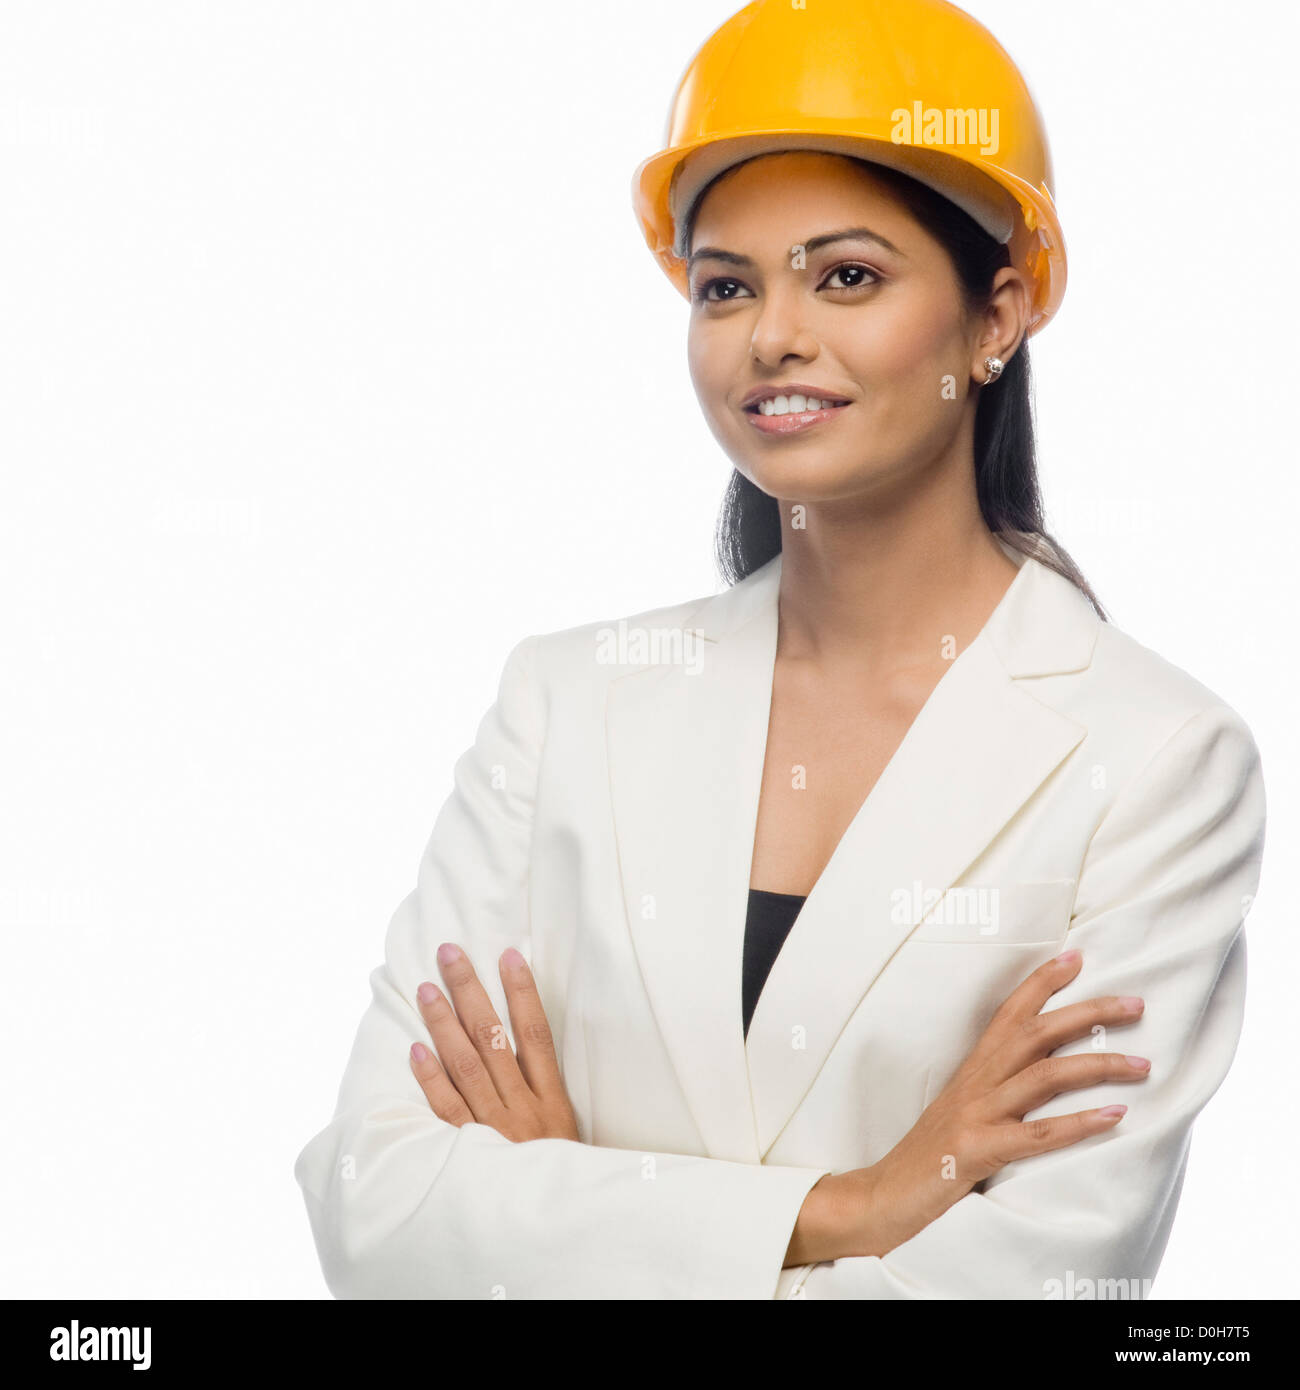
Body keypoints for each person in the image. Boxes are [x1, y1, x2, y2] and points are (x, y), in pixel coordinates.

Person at [293, 0, 1266, 1299]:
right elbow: (374, 1198)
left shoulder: (1154, 761)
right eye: (726, 285)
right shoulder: (563, 705)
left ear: (998, 315)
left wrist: (569, 1209)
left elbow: (1024, 1289)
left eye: (847, 275)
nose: (772, 336)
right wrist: (860, 1203)